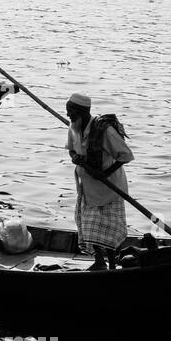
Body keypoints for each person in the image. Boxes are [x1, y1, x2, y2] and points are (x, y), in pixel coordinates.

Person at [65, 92, 134, 271]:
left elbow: (126, 155)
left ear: (82, 111)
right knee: (89, 225)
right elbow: (71, 150)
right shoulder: (73, 127)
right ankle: (99, 261)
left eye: (71, 111)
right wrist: (75, 158)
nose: (68, 115)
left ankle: (112, 263)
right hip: (87, 187)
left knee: (108, 228)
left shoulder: (105, 130)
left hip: (109, 188)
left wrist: (105, 173)